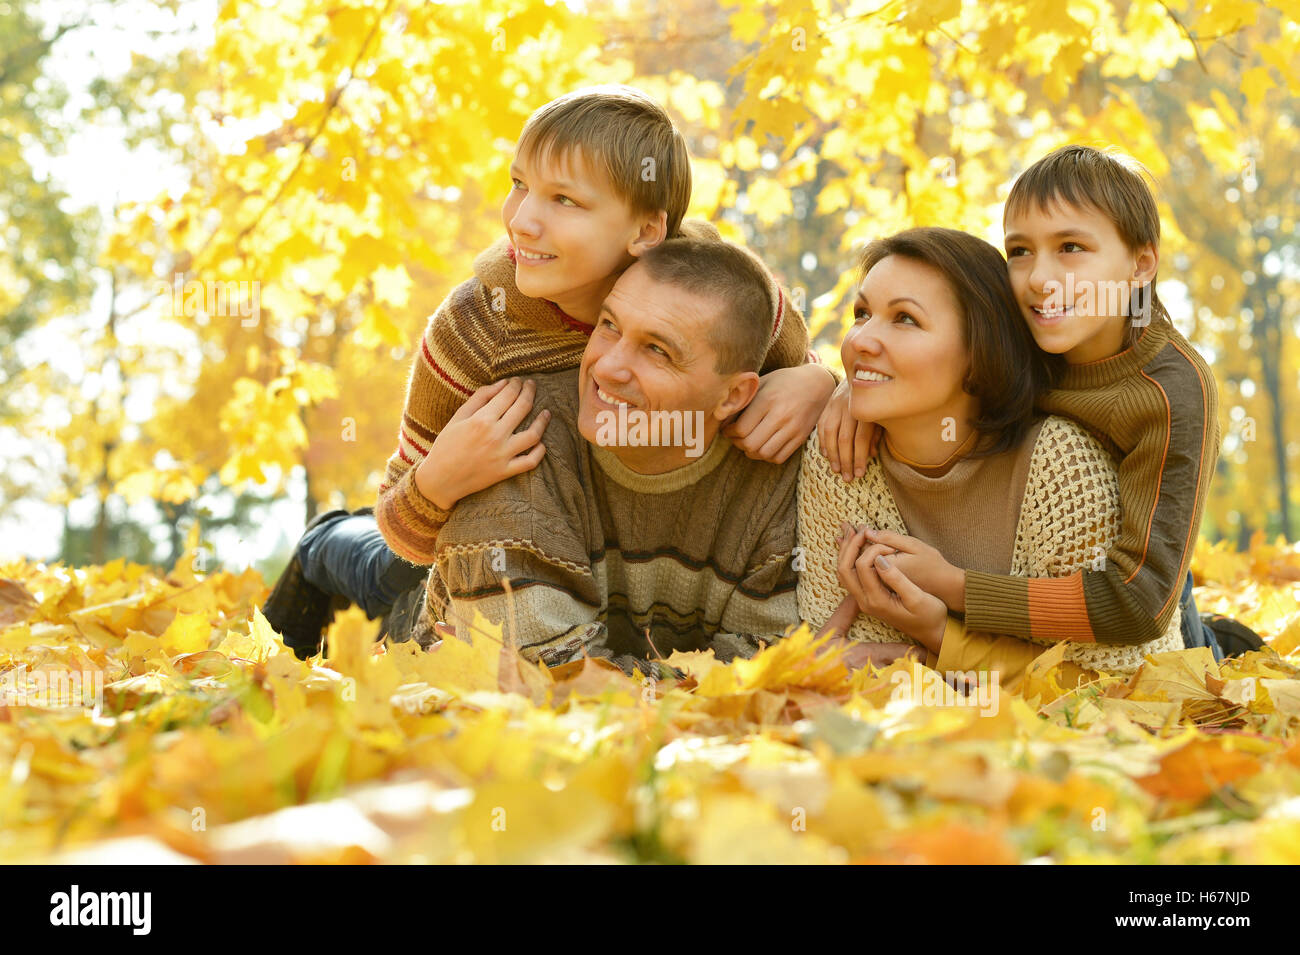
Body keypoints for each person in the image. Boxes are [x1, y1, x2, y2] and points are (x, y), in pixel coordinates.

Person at [263, 85, 835, 660]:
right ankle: (318, 544)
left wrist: (815, 382)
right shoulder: (475, 329)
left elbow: (782, 373)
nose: (522, 221)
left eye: (564, 200)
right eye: (519, 185)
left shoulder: (722, 294)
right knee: (371, 567)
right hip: (450, 549)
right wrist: (443, 478)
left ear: (644, 232)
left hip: (581, 555)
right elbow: (405, 529)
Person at [818, 145, 1262, 662]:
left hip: (1146, 607)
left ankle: (1225, 643)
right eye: (1020, 251)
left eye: (1071, 247)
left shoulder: (1171, 390)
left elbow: (1142, 603)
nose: (1039, 278)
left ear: (1141, 265)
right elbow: (918, 356)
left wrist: (956, 586)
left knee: (1194, 651)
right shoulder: (1027, 328)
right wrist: (843, 388)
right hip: (1027, 569)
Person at [798, 227, 1185, 688]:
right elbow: (839, 648)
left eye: (905, 319)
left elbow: (1119, 682)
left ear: (981, 355)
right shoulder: (837, 456)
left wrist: (935, 647)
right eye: (862, 313)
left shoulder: (1061, 468)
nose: (860, 340)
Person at [416, 237, 804, 675]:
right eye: (609, 326)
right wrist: (691, 683)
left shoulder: (783, 471)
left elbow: (771, 666)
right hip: (417, 614)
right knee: (351, 560)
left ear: (734, 395)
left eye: (657, 349)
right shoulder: (514, 438)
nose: (605, 368)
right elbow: (542, 676)